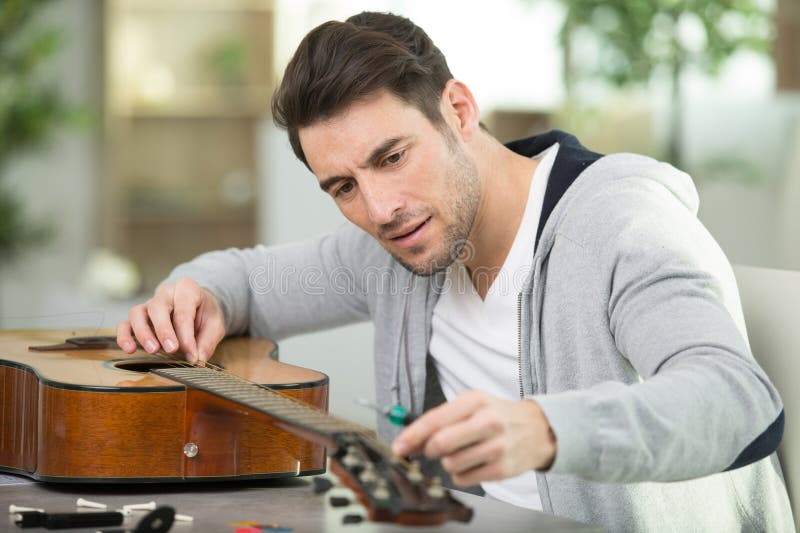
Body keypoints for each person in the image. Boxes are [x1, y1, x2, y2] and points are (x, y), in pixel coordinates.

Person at [116, 11, 793, 532]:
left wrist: (546, 429)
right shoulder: (396, 250)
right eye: (343, 187)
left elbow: (739, 403)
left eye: (392, 157)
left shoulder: (620, 224)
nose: (380, 209)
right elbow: (251, 281)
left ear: (459, 111)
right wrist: (196, 293)